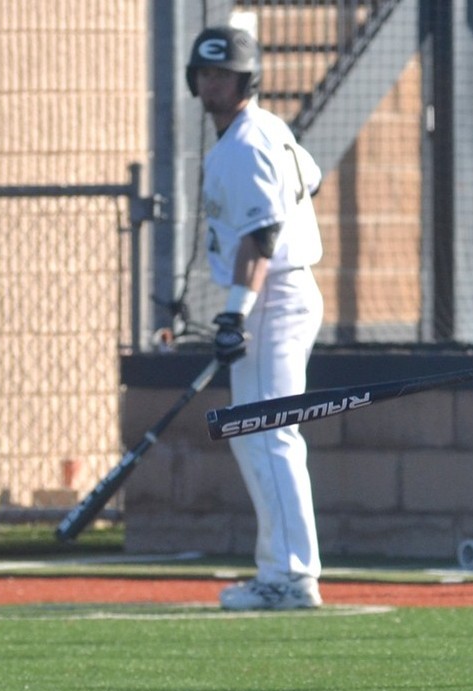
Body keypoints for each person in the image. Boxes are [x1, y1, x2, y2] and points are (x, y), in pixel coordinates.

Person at [186, 25, 325, 610]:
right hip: (279, 292)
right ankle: (283, 570)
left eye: (226, 75)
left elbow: (263, 231)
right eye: (207, 73)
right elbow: (311, 178)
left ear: (247, 80)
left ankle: (290, 576)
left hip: (273, 295)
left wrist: (234, 312)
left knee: (268, 435)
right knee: (258, 435)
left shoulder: (247, 141)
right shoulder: (264, 130)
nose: (214, 84)